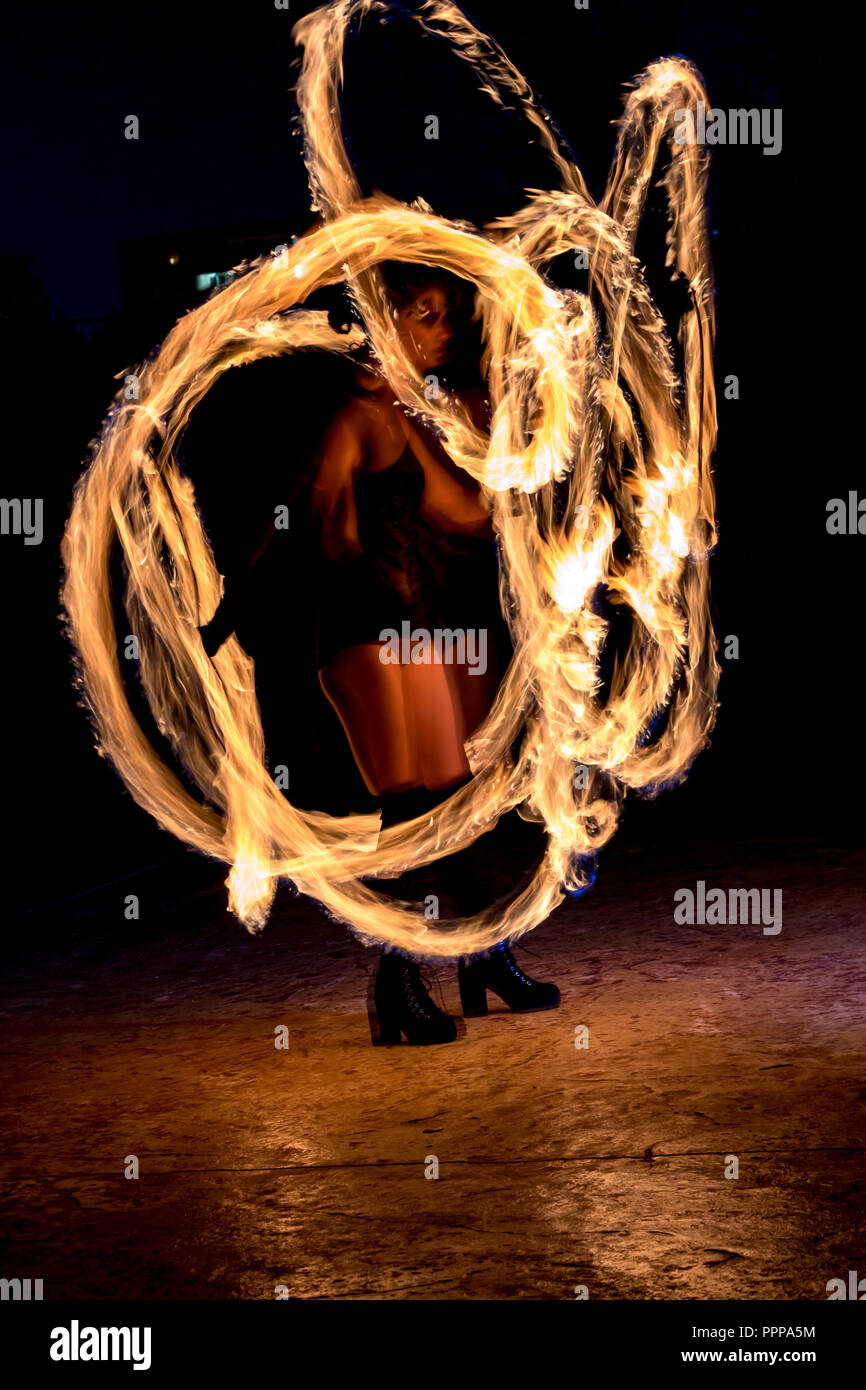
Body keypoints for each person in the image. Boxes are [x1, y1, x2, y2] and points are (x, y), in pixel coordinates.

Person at [308, 264, 561, 1045]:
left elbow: (468, 514)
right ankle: (396, 987)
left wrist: (502, 442)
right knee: (410, 818)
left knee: (456, 811)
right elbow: (322, 533)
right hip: (365, 635)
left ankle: (485, 957)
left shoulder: (421, 416)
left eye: (449, 315)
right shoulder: (349, 420)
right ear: (386, 323)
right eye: (427, 315)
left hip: (422, 634)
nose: (446, 330)